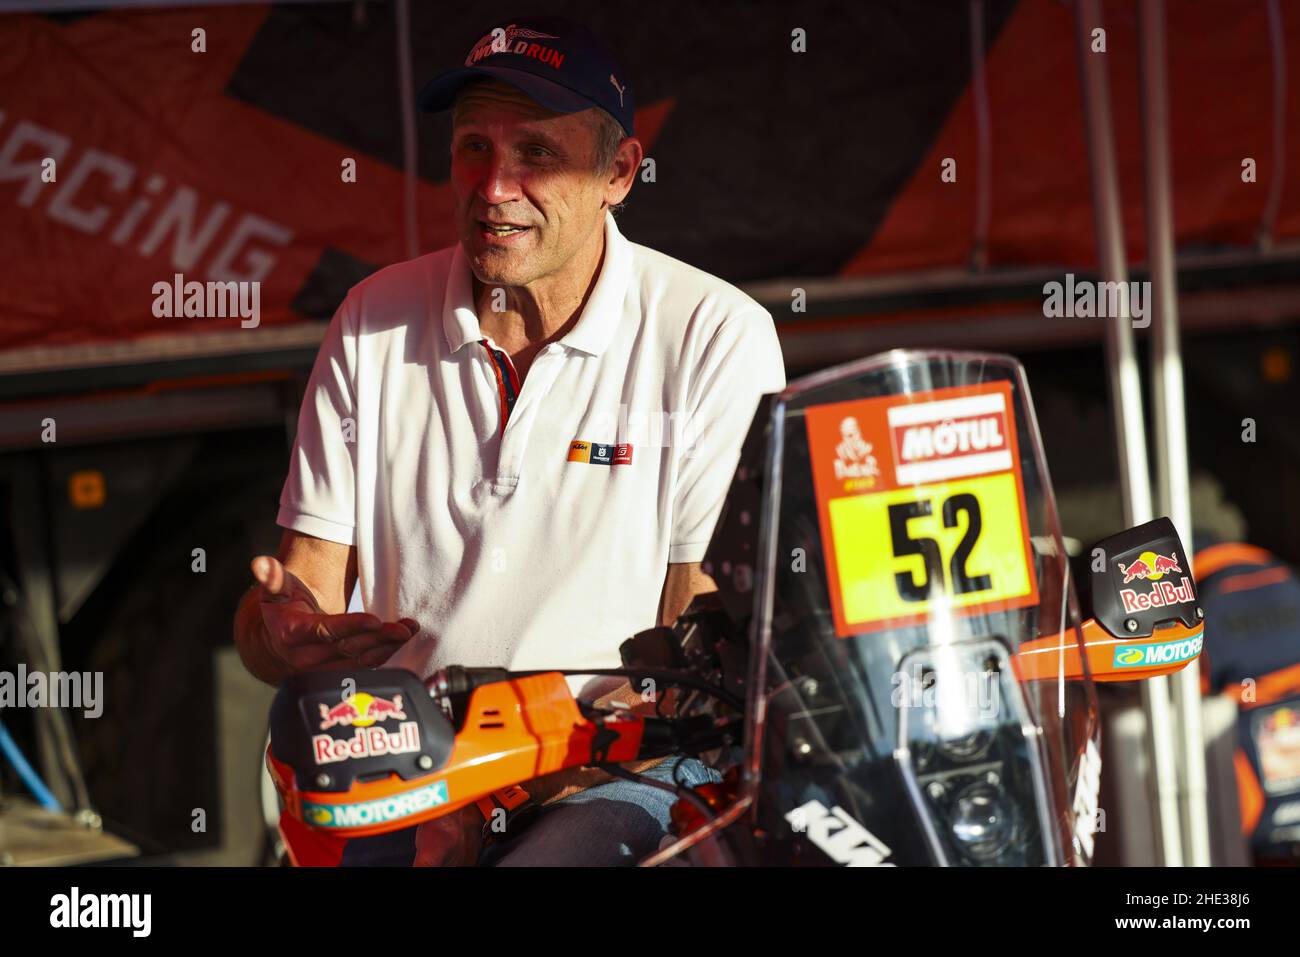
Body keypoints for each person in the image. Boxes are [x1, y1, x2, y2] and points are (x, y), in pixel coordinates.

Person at [233, 14, 785, 865]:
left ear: (619, 173)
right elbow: (290, 609)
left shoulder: (713, 332)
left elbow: (701, 655)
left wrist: (494, 786)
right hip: (401, 764)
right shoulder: (372, 318)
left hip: (615, 770)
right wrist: (282, 635)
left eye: (536, 154)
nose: (493, 188)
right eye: (473, 150)